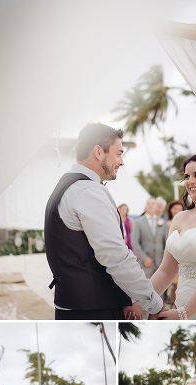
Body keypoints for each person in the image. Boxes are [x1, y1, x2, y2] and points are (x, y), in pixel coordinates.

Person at [44, 122, 167, 320]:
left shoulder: (66, 186)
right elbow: (116, 258)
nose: (122, 162)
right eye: (118, 154)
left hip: (73, 305)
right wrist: (155, 305)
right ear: (99, 152)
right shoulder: (89, 191)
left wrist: (127, 299)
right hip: (94, 310)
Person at [150, 150, 196, 321]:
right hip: (182, 297)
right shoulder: (180, 218)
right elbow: (166, 271)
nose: (191, 181)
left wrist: (184, 313)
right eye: (187, 176)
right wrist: (141, 301)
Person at [131, 197, 168, 280]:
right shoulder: (138, 222)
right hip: (145, 262)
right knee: (146, 287)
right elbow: (135, 242)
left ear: (156, 207)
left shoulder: (163, 222)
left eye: (153, 204)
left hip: (160, 262)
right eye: (148, 204)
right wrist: (144, 258)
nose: (150, 206)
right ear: (145, 207)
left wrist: (164, 259)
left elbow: (166, 242)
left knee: (160, 289)